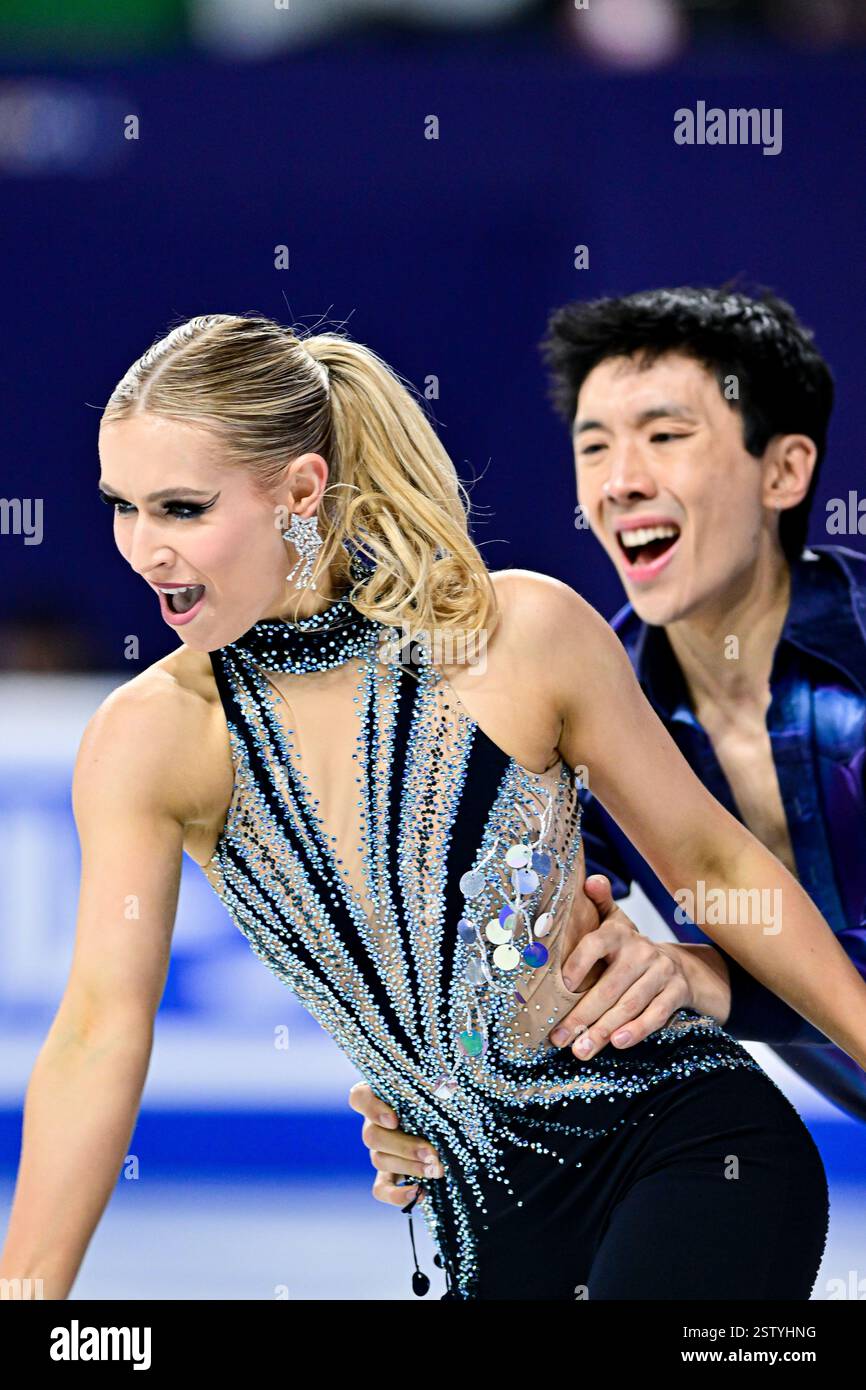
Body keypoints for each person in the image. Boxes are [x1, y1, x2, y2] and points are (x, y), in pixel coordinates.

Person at [2, 312, 863, 1303]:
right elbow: (98, 1030)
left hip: (690, 1153)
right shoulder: (148, 740)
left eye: (183, 509)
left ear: (298, 492)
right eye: (123, 506)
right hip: (483, 1221)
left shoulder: (519, 635)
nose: (144, 548)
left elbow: (715, 869)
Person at [350, 286, 866, 1238]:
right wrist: (437, 1083)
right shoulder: (587, 714)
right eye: (594, 444)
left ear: (786, 471)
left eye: (666, 436)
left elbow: (712, 961)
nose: (619, 481)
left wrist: (721, 978)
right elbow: (514, 970)